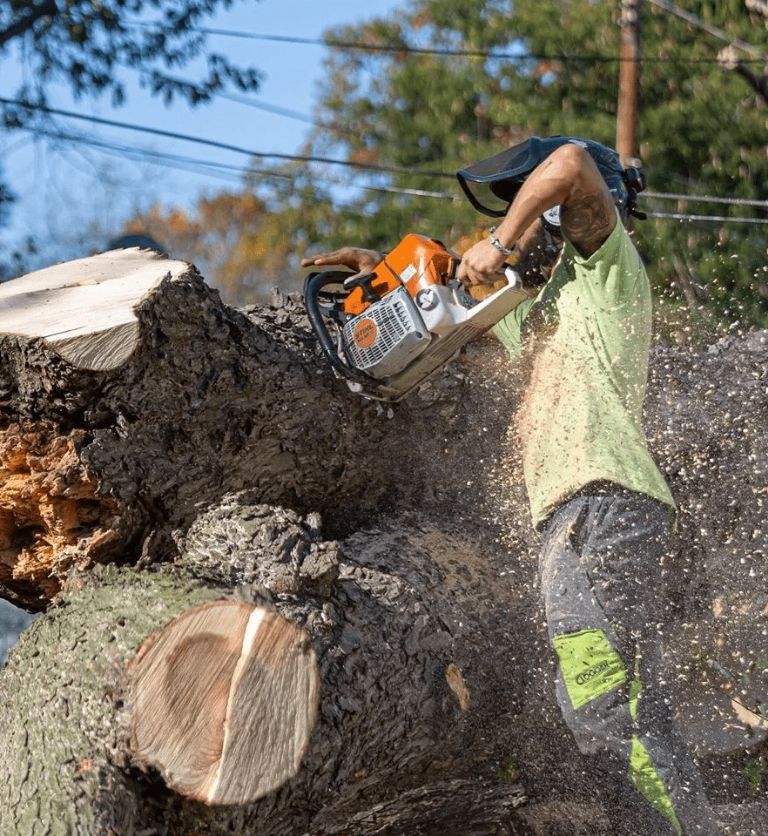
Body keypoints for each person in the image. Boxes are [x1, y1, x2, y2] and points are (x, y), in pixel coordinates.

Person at [301, 136, 720, 835]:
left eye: (523, 207)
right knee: (596, 710)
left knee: (610, 705)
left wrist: (500, 239)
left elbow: (572, 165)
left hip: (603, 502)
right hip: (573, 517)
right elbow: (443, 325)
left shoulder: (608, 271)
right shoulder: (538, 308)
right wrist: (386, 278)